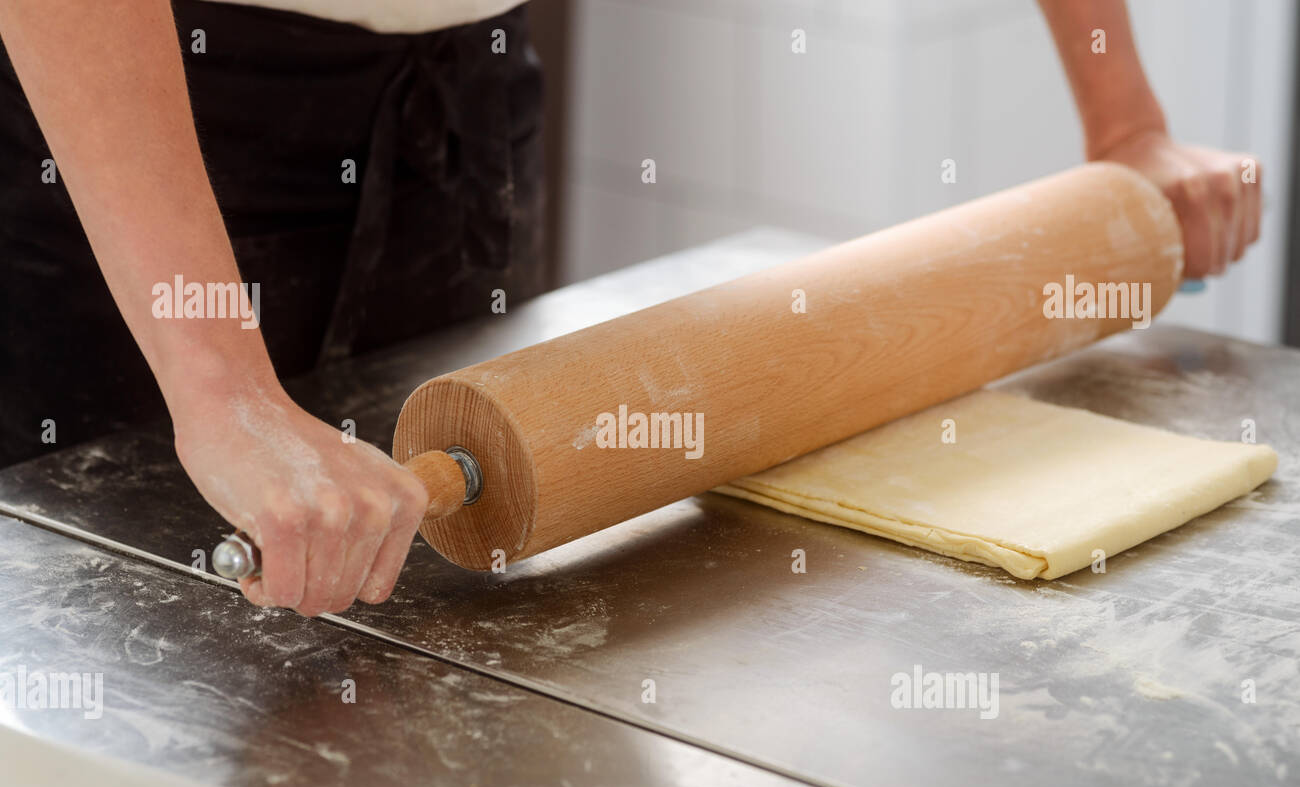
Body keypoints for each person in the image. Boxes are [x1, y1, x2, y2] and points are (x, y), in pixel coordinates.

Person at [0, 0, 1261, 618]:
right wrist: (221, 388)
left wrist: (1127, 124)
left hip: (464, 92)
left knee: (414, 617)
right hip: (148, 132)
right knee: (147, 655)